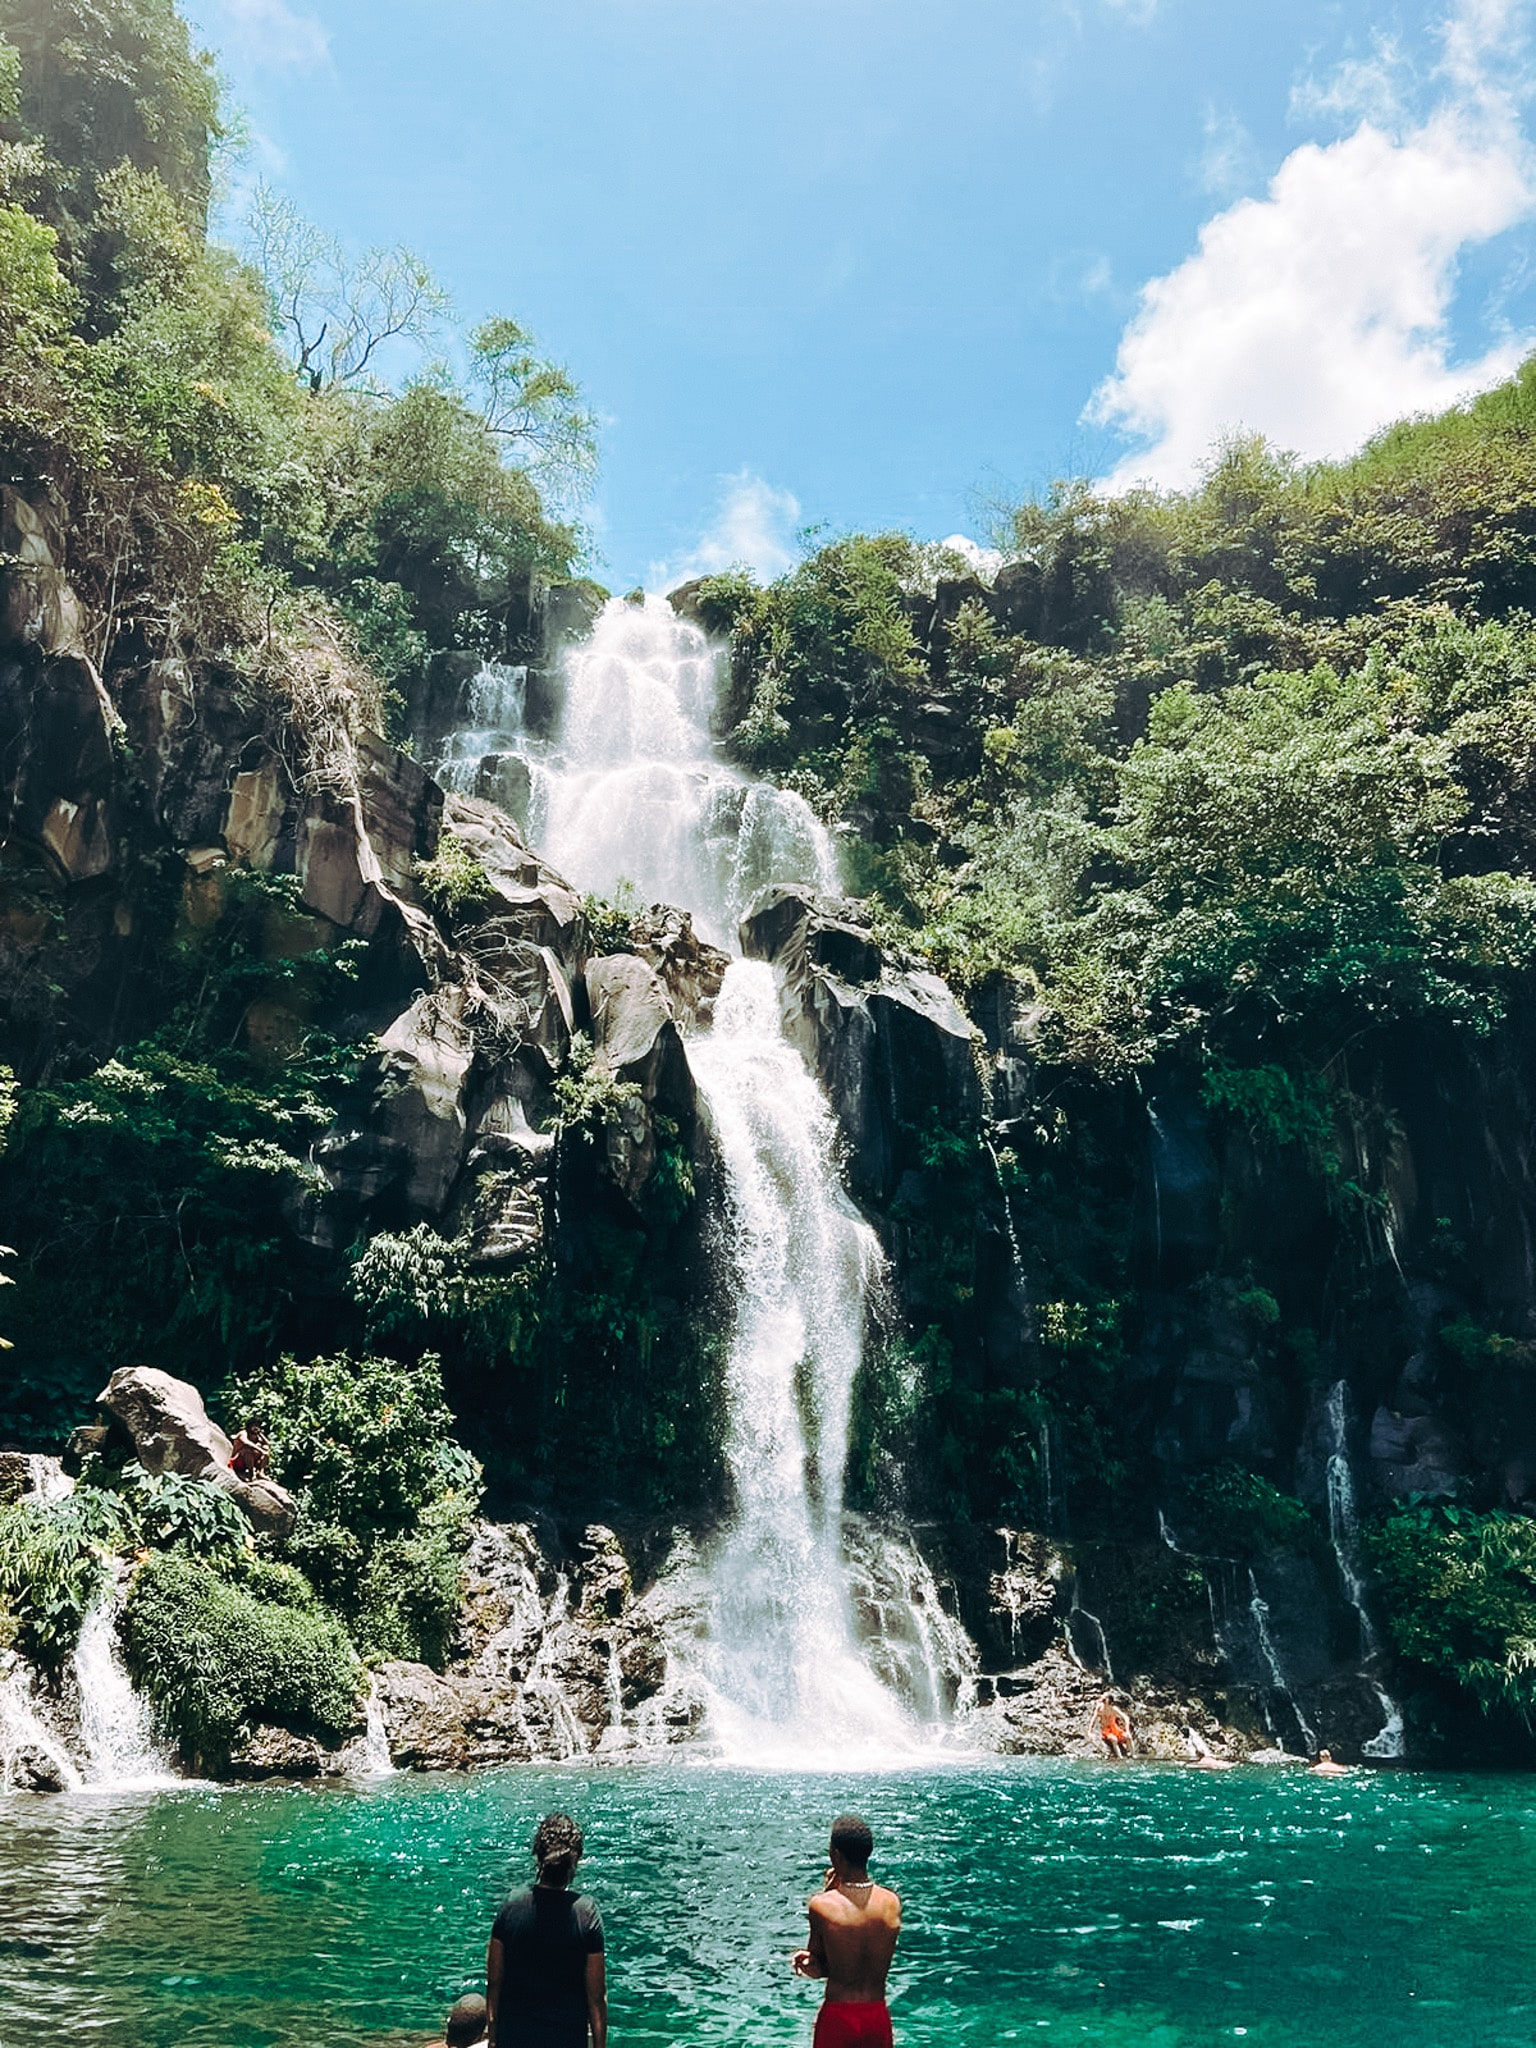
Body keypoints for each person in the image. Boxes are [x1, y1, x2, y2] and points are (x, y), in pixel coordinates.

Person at [486, 1812, 607, 2048]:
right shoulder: (586, 1914)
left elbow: (494, 1983)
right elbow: (596, 1998)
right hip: (565, 2039)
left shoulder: (510, 1907)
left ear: (538, 1857)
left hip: (514, 2039)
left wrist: (493, 2038)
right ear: (576, 1861)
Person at [791, 1813, 902, 2048]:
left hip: (838, 2017)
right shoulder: (892, 1903)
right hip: (877, 2016)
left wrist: (805, 1962)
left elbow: (821, 1968)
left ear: (836, 1855)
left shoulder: (822, 1905)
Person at [1097, 1693, 1132, 1758]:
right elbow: (1094, 1717)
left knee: (1128, 1737)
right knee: (1114, 1739)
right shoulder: (1100, 1708)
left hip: (1114, 1728)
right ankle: (1120, 1757)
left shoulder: (1114, 1709)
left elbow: (1126, 1718)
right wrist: (1089, 1730)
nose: (1103, 1699)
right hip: (1106, 1730)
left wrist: (1127, 1730)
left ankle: (1130, 1753)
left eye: (1105, 1698)